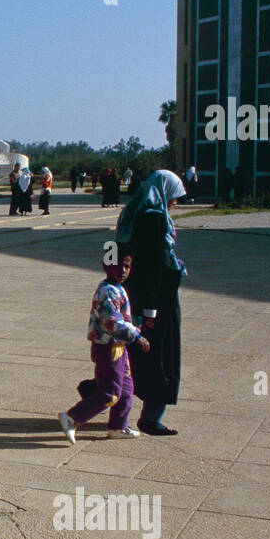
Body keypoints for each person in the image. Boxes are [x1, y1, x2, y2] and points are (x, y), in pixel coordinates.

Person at [116, 169, 187, 436]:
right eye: (175, 196)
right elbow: (153, 269)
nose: (176, 203)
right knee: (159, 357)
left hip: (140, 298)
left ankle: (104, 391)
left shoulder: (138, 213)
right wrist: (151, 310)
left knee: (137, 354)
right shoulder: (154, 219)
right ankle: (151, 417)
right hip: (157, 303)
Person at [59, 248, 149, 443]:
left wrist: (139, 322)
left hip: (118, 347)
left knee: (126, 387)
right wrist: (134, 335)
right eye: (119, 266)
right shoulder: (107, 291)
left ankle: (118, 426)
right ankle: (73, 417)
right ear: (107, 266)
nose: (123, 271)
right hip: (108, 348)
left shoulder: (117, 288)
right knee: (111, 392)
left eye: (127, 266)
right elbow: (112, 320)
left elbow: (123, 317)